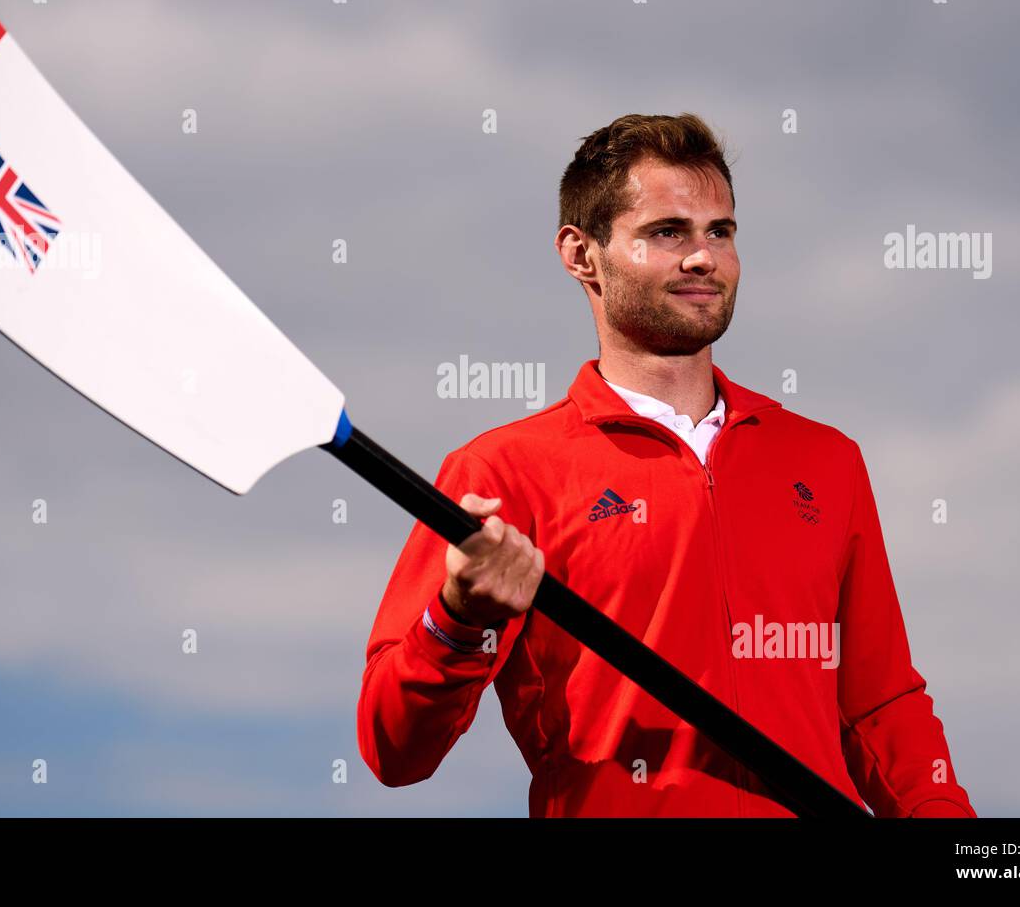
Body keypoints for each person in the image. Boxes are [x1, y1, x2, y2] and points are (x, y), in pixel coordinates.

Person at [357, 112, 977, 817]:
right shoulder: (503, 472)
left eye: (721, 231)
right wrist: (457, 620)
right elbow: (392, 751)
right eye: (667, 232)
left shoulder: (826, 459)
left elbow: (881, 704)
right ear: (581, 253)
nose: (703, 257)